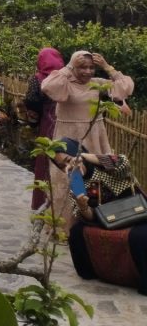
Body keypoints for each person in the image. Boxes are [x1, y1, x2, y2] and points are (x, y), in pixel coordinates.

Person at [41, 50, 133, 229]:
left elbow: (125, 88)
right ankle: (65, 227)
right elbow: (48, 87)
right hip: (68, 137)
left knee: (96, 179)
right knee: (68, 180)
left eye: (91, 67)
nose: (88, 71)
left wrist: (107, 67)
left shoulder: (97, 84)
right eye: (82, 67)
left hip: (94, 137)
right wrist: (69, 67)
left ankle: (92, 222)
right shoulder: (65, 84)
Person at [52, 138, 147, 294]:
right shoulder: (76, 181)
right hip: (106, 220)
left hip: (134, 213)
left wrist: (83, 157)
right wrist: (83, 206)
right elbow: (89, 217)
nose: (68, 166)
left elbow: (123, 163)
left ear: (78, 152)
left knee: (141, 237)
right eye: (62, 166)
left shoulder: (102, 164)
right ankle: (93, 272)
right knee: (76, 232)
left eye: (69, 160)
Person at [23, 47, 65, 210]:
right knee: (66, 159)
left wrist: (34, 120)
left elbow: (31, 100)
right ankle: (63, 204)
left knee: (45, 160)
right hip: (66, 121)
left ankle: (41, 202)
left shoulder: (38, 79)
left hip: (48, 122)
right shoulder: (65, 78)